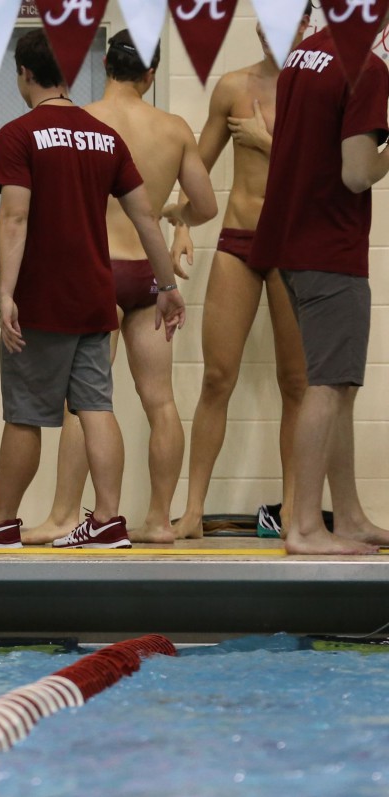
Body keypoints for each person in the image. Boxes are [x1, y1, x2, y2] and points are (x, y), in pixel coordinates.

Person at [0, 30, 185, 551]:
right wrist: (166, 285)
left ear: (24, 74)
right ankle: (107, 522)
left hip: (44, 298)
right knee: (96, 407)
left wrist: (6, 293)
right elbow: (145, 217)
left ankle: (2, 522)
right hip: (95, 297)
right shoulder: (104, 138)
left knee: (26, 415)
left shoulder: (19, 134)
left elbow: (14, 216)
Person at [23, 31, 216, 546]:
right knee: (160, 401)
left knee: (83, 404)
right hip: (150, 276)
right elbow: (205, 204)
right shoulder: (174, 129)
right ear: (151, 74)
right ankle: (157, 520)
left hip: (94, 272)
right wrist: (175, 218)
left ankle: (65, 514)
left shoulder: (80, 124)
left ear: (104, 63)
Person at [247, 18, 389, 555]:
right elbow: (357, 173)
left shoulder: (303, 57)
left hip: (290, 240)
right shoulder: (367, 71)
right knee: (328, 386)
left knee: (339, 385)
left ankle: (347, 516)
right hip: (330, 246)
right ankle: (304, 525)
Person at [171, 14, 312, 540]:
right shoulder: (233, 87)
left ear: (305, 26)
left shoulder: (319, 86)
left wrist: (264, 139)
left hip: (293, 243)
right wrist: (182, 222)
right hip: (238, 240)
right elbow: (197, 165)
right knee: (216, 378)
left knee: (296, 384)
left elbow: (322, 172)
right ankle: (192, 509)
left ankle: (296, 509)